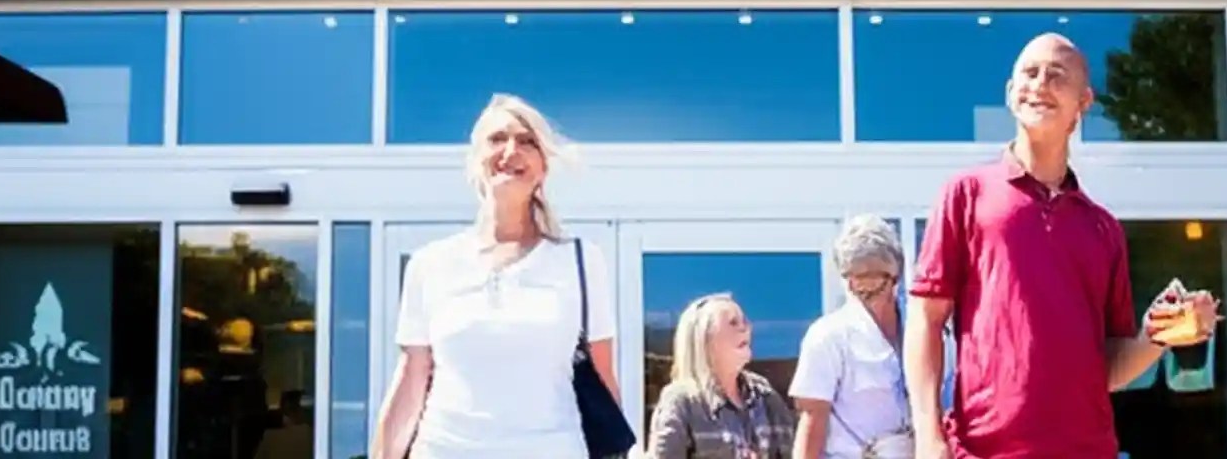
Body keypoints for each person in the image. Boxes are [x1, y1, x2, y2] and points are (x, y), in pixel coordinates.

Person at [903, 33, 1221, 459]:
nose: (1040, 84)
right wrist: (928, 433)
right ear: (1010, 93)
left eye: (1057, 76)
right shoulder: (966, 194)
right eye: (1029, 73)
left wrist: (1158, 335)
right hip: (982, 451)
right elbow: (925, 320)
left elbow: (1108, 369)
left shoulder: (1102, 228)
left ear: (1083, 102)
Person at [370, 94, 623, 459]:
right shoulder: (430, 264)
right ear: (476, 161)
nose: (510, 150)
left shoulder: (582, 262)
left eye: (526, 141)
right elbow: (411, 380)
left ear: (543, 168)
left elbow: (603, 380)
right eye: (497, 139)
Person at [788, 214, 914, 459]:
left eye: (876, 279)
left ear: (895, 275)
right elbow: (812, 421)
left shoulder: (925, 331)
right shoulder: (827, 336)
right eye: (857, 280)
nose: (867, 291)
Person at [647, 293, 797, 459]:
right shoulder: (682, 401)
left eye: (745, 322)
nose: (745, 328)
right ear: (705, 338)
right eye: (733, 323)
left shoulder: (764, 394)